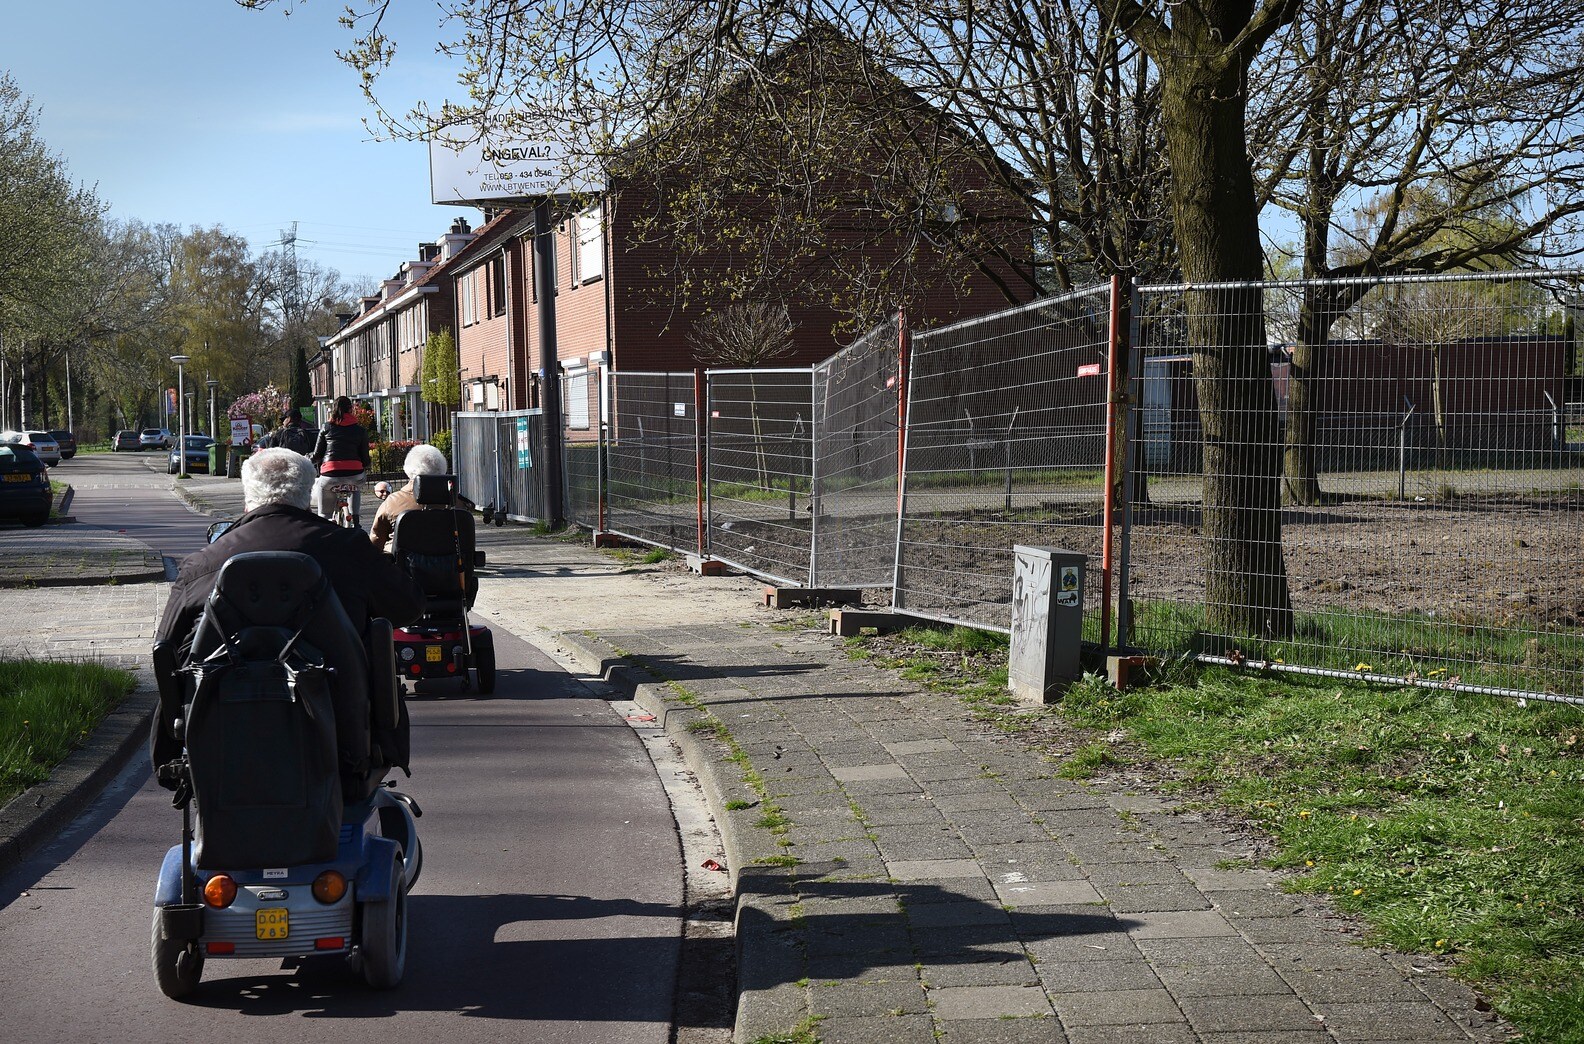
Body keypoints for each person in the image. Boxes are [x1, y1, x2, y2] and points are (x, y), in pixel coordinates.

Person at [151, 448, 424, 772]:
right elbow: (409, 607)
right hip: (341, 743)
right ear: (308, 492)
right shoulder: (351, 550)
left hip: (222, 747)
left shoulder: (203, 564)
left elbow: (165, 647)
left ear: (247, 495)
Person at [368, 443, 449, 553]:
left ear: (408, 469)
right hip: (450, 566)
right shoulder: (457, 503)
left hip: (403, 567)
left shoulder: (393, 502)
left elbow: (376, 540)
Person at [309, 395, 371, 519]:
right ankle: (355, 518)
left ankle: (325, 519)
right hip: (354, 473)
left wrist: (308, 459)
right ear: (351, 409)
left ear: (334, 409)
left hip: (330, 474)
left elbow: (317, 455)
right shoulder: (360, 430)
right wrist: (365, 465)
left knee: (323, 491)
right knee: (355, 487)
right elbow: (365, 457)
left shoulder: (326, 427)